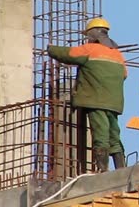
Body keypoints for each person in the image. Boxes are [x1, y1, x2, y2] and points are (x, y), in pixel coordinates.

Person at [47, 17, 127, 173]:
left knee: (101, 134)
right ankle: (121, 169)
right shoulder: (118, 55)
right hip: (114, 103)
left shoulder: (90, 50)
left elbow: (68, 54)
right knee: (114, 134)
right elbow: (124, 74)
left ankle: (103, 170)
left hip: (96, 100)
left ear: (93, 34)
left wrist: (51, 49)